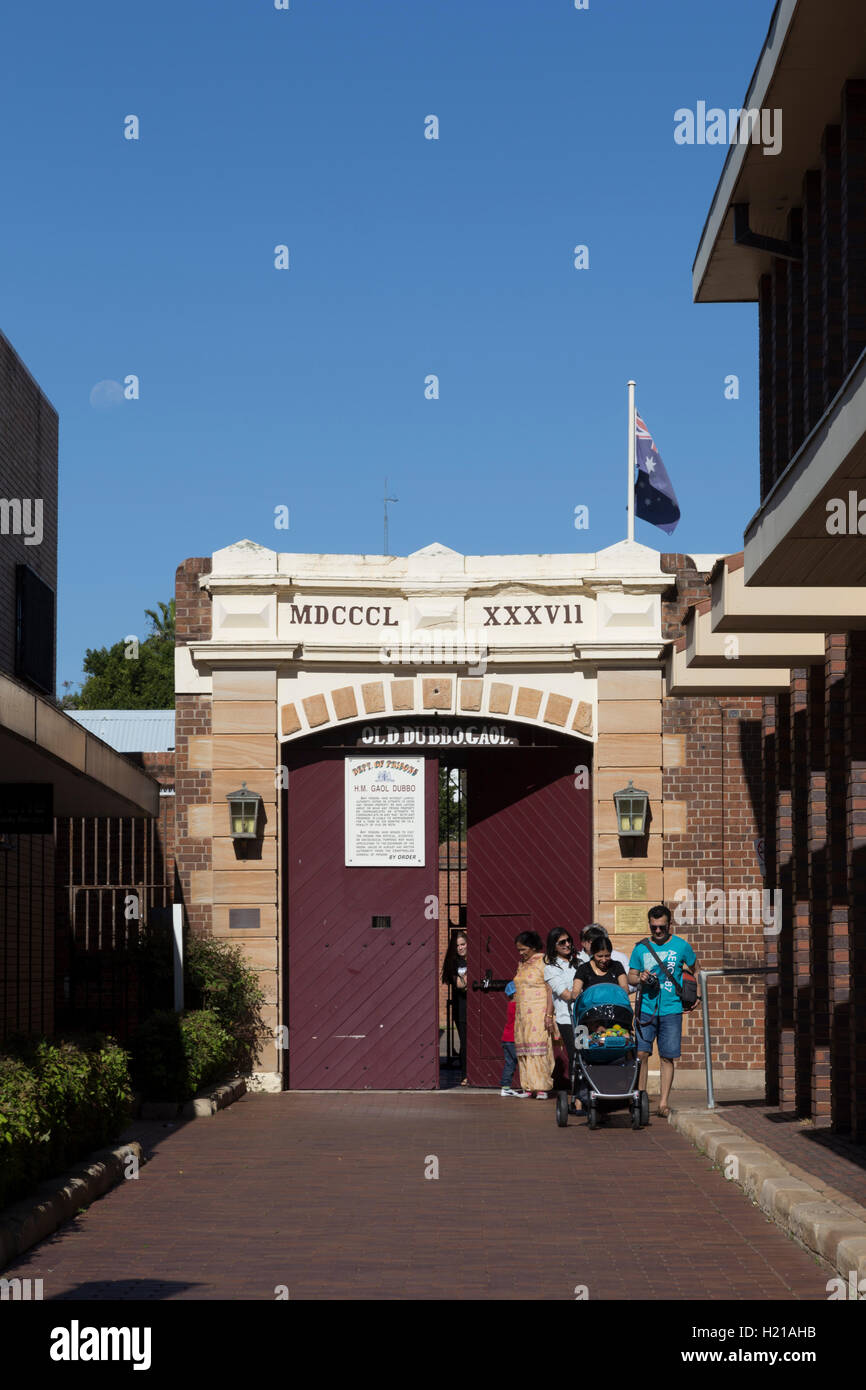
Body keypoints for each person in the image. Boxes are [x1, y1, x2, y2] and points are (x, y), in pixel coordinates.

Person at [628, 904, 699, 1119]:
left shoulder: (681, 946)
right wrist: (638, 978)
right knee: (641, 1054)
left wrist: (696, 995)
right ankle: (640, 1098)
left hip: (671, 1009)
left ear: (669, 925)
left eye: (661, 927)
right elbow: (631, 976)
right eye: (653, 927)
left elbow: (696, 969)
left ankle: (664, 1102)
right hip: (647, 1008)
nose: (657, 931)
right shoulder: (641, 948)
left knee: (668, 1057)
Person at [513, 930, 555, 1098]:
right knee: (525, 1048)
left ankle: (542, 1087)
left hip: (539, 1012)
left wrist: (549, 1015)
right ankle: (529, 1086)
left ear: (532, 947)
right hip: (522, 1013)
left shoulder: (544, 961)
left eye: (523, 949)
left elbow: (550, 988)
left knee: (538, 1047)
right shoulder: (522, 963)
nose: (521, 953)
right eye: (519, 950)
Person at [543, 929, 577, 1093]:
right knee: (575, 1055)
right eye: (562, 942)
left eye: (568, 940)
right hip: (567, 1019)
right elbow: (565, 994)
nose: (567, 944)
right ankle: (577, 1096)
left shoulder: (580, 960)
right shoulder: (551, 968)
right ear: (554, 946)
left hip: (586, 1017)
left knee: (588, 1054)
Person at [441, 929, 469, 1085]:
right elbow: (460, 985)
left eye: (463, 944)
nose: (460, 948)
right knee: (465, 1042)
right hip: (461, 1009)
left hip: (477, 1008)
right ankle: (466, 1074)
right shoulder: (453, 964)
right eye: (457, 946)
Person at [500, 981, 528, 1097]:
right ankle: (527, 1086)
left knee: (510, 1063)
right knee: (523, 1062)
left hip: (506, 1038)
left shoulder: (510, 1005)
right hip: (513, 1039)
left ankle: (505, 1087)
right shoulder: (517, 1006)